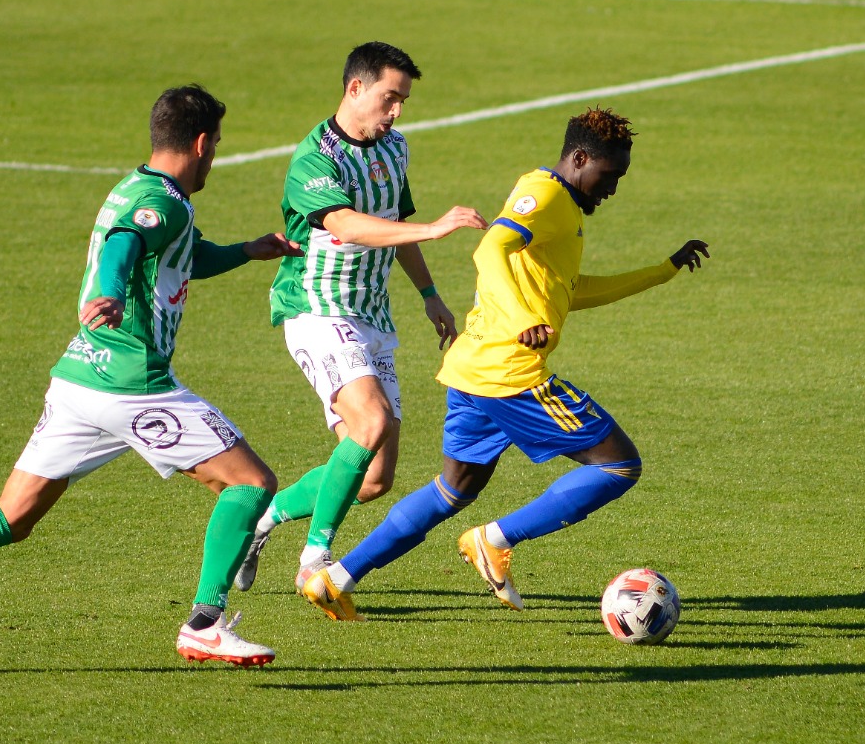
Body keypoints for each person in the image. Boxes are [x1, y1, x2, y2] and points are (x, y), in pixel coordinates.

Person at [0, 85, 301, 673]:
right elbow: (125, 244)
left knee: (10, 517)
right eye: (214, 145)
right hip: (132, 384)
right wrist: (110, 290)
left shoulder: (135, 189)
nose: (214, 156)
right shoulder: (159, 203)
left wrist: (246, 250)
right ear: (199, 142)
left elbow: (174, 254)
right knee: (251, 483)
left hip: (79, 382)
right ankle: (206, 624)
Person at [297, 107, 710, 621]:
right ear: (580, 159)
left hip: (474, 369)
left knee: (452, 490)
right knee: (619, 464)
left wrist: (662, 271)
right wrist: (520, 321)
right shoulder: (548, 194)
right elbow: (492, 245)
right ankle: (494, 540)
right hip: (509, 372)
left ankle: (335, 579)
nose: (614, 188)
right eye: (610, 175)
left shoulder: (564, 210)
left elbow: (569, 292)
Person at [231, 42, 486, 596]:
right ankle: (316, 558)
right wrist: (434, 229)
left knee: (373, 479)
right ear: (356, 89)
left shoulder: (394, 150)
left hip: (372, 315)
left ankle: (265, 519)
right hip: (316, 309)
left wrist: (430, 294)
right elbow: (348, 224)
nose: (396, 111)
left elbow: (393, 222)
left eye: (403, 101)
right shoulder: (315, 158)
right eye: (390, 98)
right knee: (369, 424)